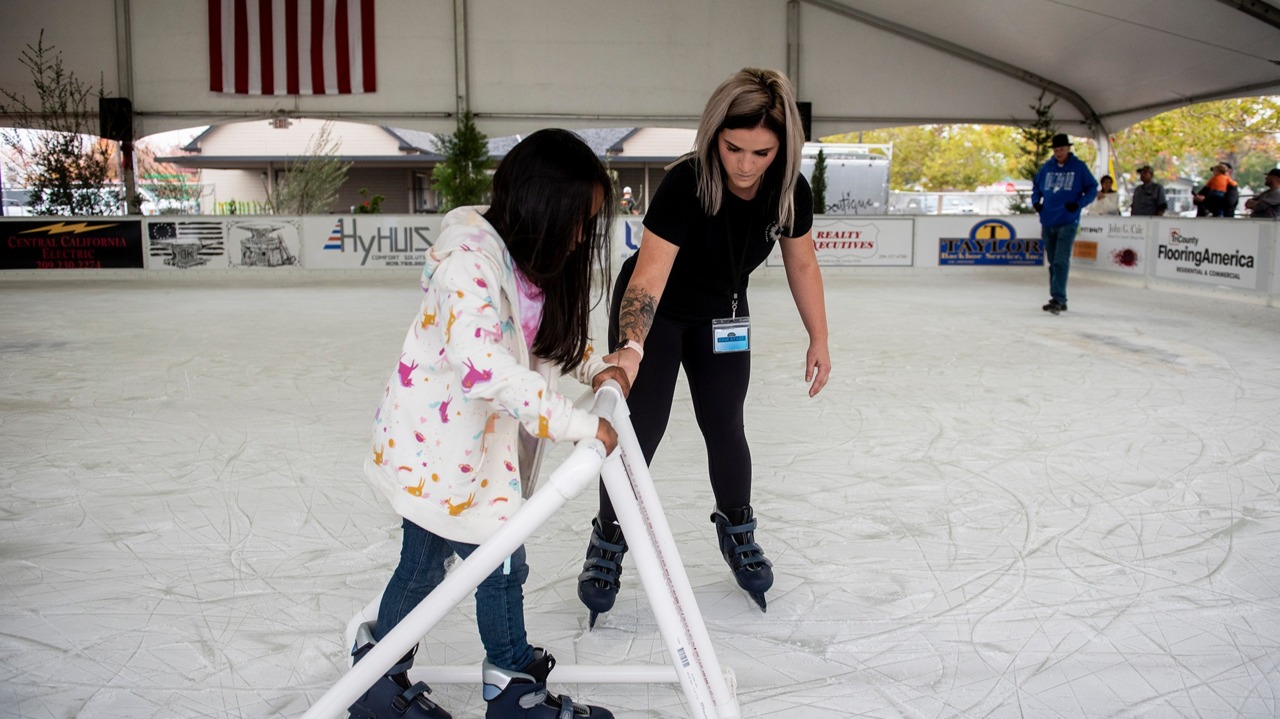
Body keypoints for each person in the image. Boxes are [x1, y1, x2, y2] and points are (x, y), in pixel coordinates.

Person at [350, 128, 628, 719]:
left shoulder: (528, 262)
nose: (582, 237)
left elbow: (536, 344)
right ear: (542, 207)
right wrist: (576, 424)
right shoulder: (468, 266)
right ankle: (509, 688)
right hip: (442, 451)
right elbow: (484, 367)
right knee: (501, 564)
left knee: (425, 566)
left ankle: (378, 672)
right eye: (578, 220)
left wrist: (593, 369)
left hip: (478, 456)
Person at [576, 67, 832, 623]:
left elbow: (803, 262)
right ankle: (609, 538)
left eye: (761, 152)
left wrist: (819, 336)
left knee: (725, 423)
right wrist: (632, 348)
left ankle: (738, 531)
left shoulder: (791, 191)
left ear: (783, 147)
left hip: (723, 312)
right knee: (640, 429)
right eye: (733, 147)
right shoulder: (687, 184)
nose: (744, 165)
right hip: (658, 312)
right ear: (714, 135)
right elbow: (647, 279)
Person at [1031, 133, 1098, 315]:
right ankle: (1057, 297)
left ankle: (1059, 298)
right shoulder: (1047, 168)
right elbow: (1036, 187)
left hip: (1068, 220)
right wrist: (1037, 202)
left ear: (1068, 149)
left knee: (1061, 260)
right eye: (1056, 150)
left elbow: (1092, 188)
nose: (1059, 153)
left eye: (1061, 149)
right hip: (1048, 219)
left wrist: (1079, 204)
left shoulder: (1078, 167)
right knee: (1053, 261)